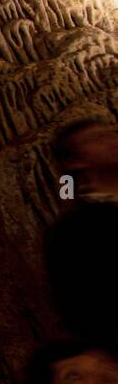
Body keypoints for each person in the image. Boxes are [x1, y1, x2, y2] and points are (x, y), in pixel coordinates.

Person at [45, 119, 118, 344]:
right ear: (76, 163)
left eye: (112, 133)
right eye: (97, 139)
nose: (113, 141)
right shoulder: (76, 231)